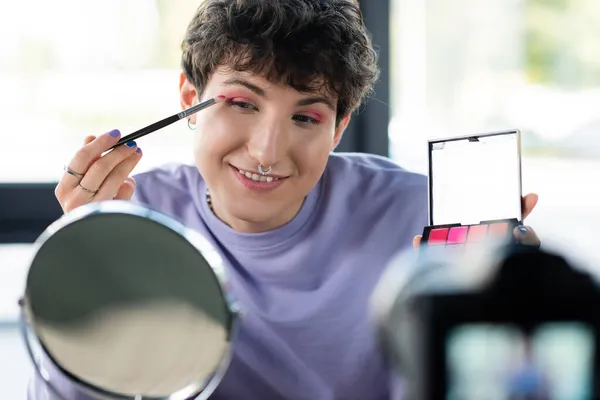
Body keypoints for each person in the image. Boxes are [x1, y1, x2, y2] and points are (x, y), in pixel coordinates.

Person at [35, 0, 541, 399]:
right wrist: (80, 274)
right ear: (190, 100)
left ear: (339, 127)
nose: (267, 150)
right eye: (241, 103)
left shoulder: (419, 214)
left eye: (306, 117)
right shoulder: (130, 217)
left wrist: (511, 316)